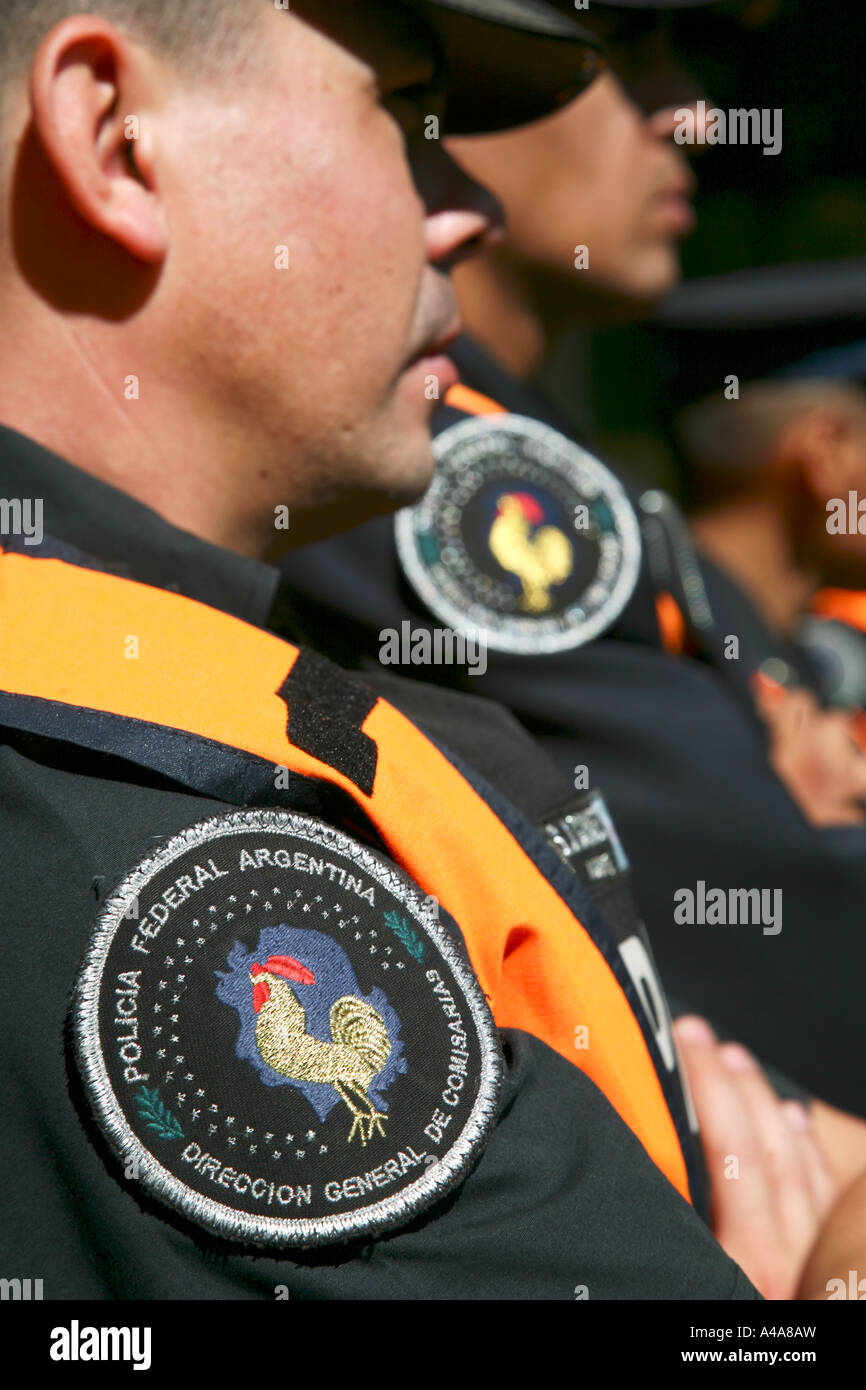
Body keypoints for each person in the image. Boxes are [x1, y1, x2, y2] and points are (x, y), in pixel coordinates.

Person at [0, 0, 863, 1305]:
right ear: (116, 139)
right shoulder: (172, 851)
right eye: (404, 118)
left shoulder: (222, 689)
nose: (469, 208)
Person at [278, 0, 866, 1118]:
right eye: (627, 58)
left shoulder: (544, 452)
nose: (691, 118)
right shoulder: (443, 468)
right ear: (469, 87)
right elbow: (731, 874)